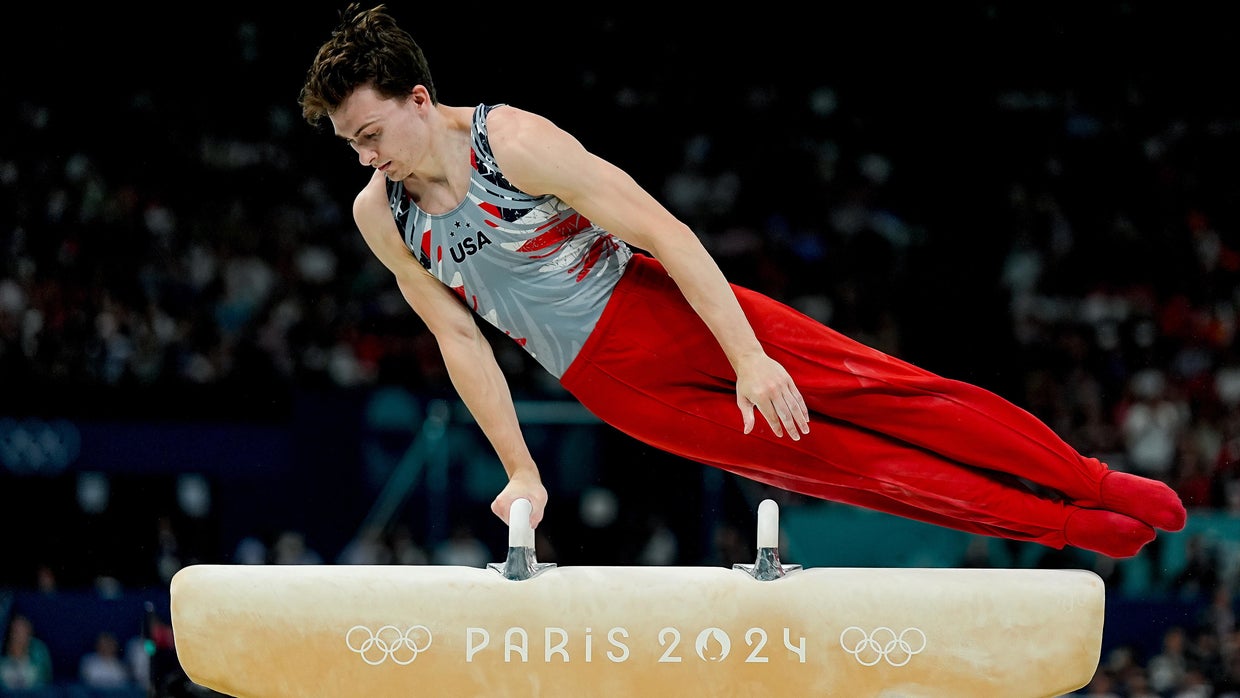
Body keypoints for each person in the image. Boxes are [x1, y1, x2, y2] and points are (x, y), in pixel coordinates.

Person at [297, 4, 1187, 559]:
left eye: (371, 133)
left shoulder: (514, 143)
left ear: (419, 99)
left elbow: (667, 233)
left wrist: (750, 357)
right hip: (614, 384)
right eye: (350, 145)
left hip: (669, 306)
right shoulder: (383, 216)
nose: (366, 157)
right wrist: (521, 469)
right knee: (855, 470)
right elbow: (460, 337)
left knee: (895, 395)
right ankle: (1067, 527)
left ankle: (1091, 483)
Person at [0, 613, 53, 690]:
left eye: (24, 631)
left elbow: (46, 681)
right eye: (16, 631)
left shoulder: (38, 655)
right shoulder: (3, 665)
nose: (19, 636)